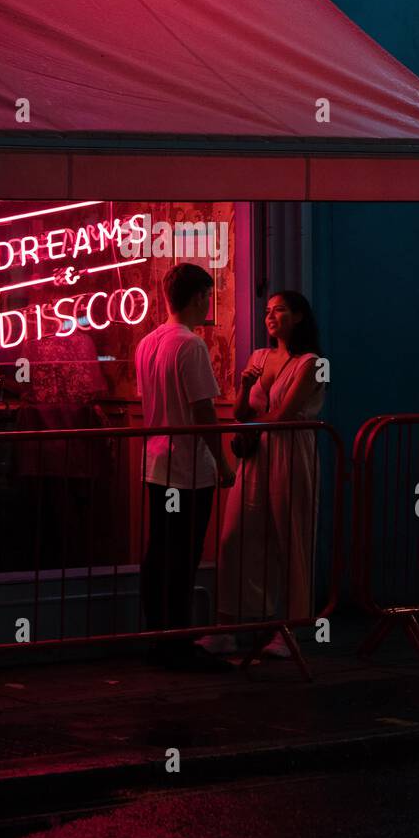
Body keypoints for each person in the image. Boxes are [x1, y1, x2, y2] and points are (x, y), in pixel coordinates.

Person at [199, 291, 325, 659]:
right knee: (236, 536)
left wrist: (251, 427)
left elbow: (284, 414)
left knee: (291, 536)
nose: (270, 317)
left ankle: (289, 630)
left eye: (279, 310)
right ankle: (229, 627)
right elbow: (241, 412)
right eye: (267, 311)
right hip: (257, 455)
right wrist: (242, 385)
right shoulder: (258, 357)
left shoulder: (312, 363)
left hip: (289, 452)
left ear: (299, 316)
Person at [135, 263, 236, 671]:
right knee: (183, 553)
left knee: (159, 550)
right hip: (188, 468)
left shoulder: (148, 342)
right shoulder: (190, 345)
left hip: (156, 462)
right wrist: (224, 463)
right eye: (207, 296)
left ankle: (158, 635)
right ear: (198, 297)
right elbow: (203, 411)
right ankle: (177, 640)